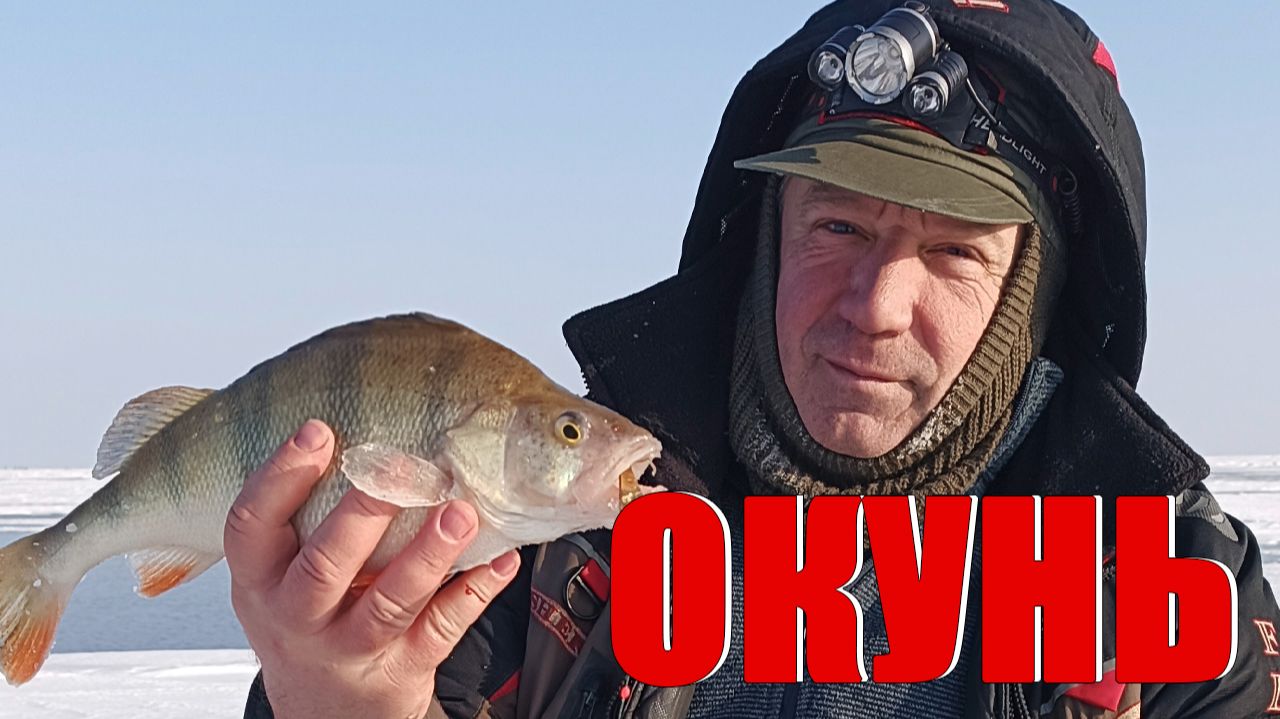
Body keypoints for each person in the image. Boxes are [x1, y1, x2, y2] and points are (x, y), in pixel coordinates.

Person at [233, 1, 1280, 717]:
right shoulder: (541, 524)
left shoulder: (1171, 588)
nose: (875, 306)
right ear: (765, 236)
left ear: (1029, 297)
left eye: (953, 252)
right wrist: (334, 702)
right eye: (838, 228)